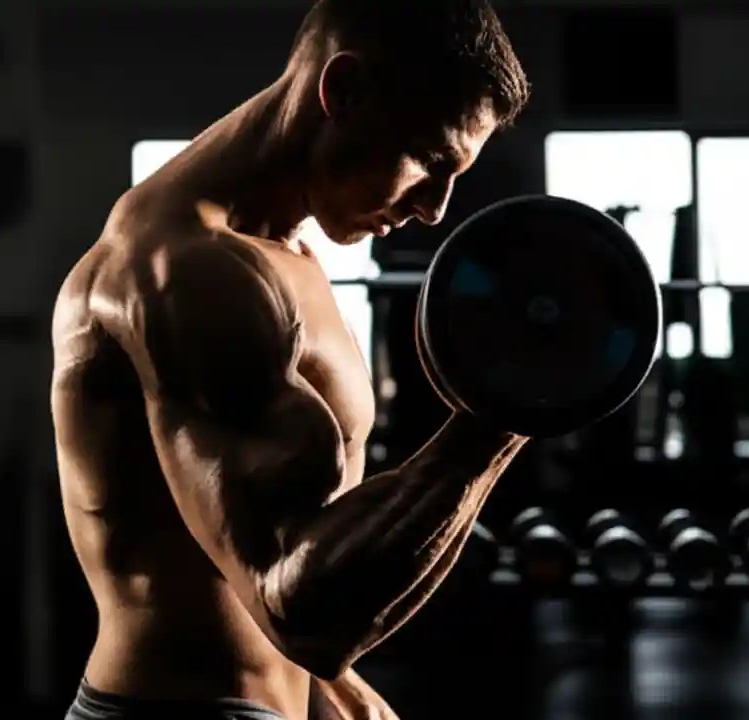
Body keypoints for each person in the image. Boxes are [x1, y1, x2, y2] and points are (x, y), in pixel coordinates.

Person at [51, 1, 531, 717]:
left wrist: (333, 685)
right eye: (431, 161)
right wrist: (503, 413)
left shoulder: (284, 252)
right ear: (345, 91)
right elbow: (295, 610)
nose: (435, 209)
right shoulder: (187, 271)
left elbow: (238, 545)